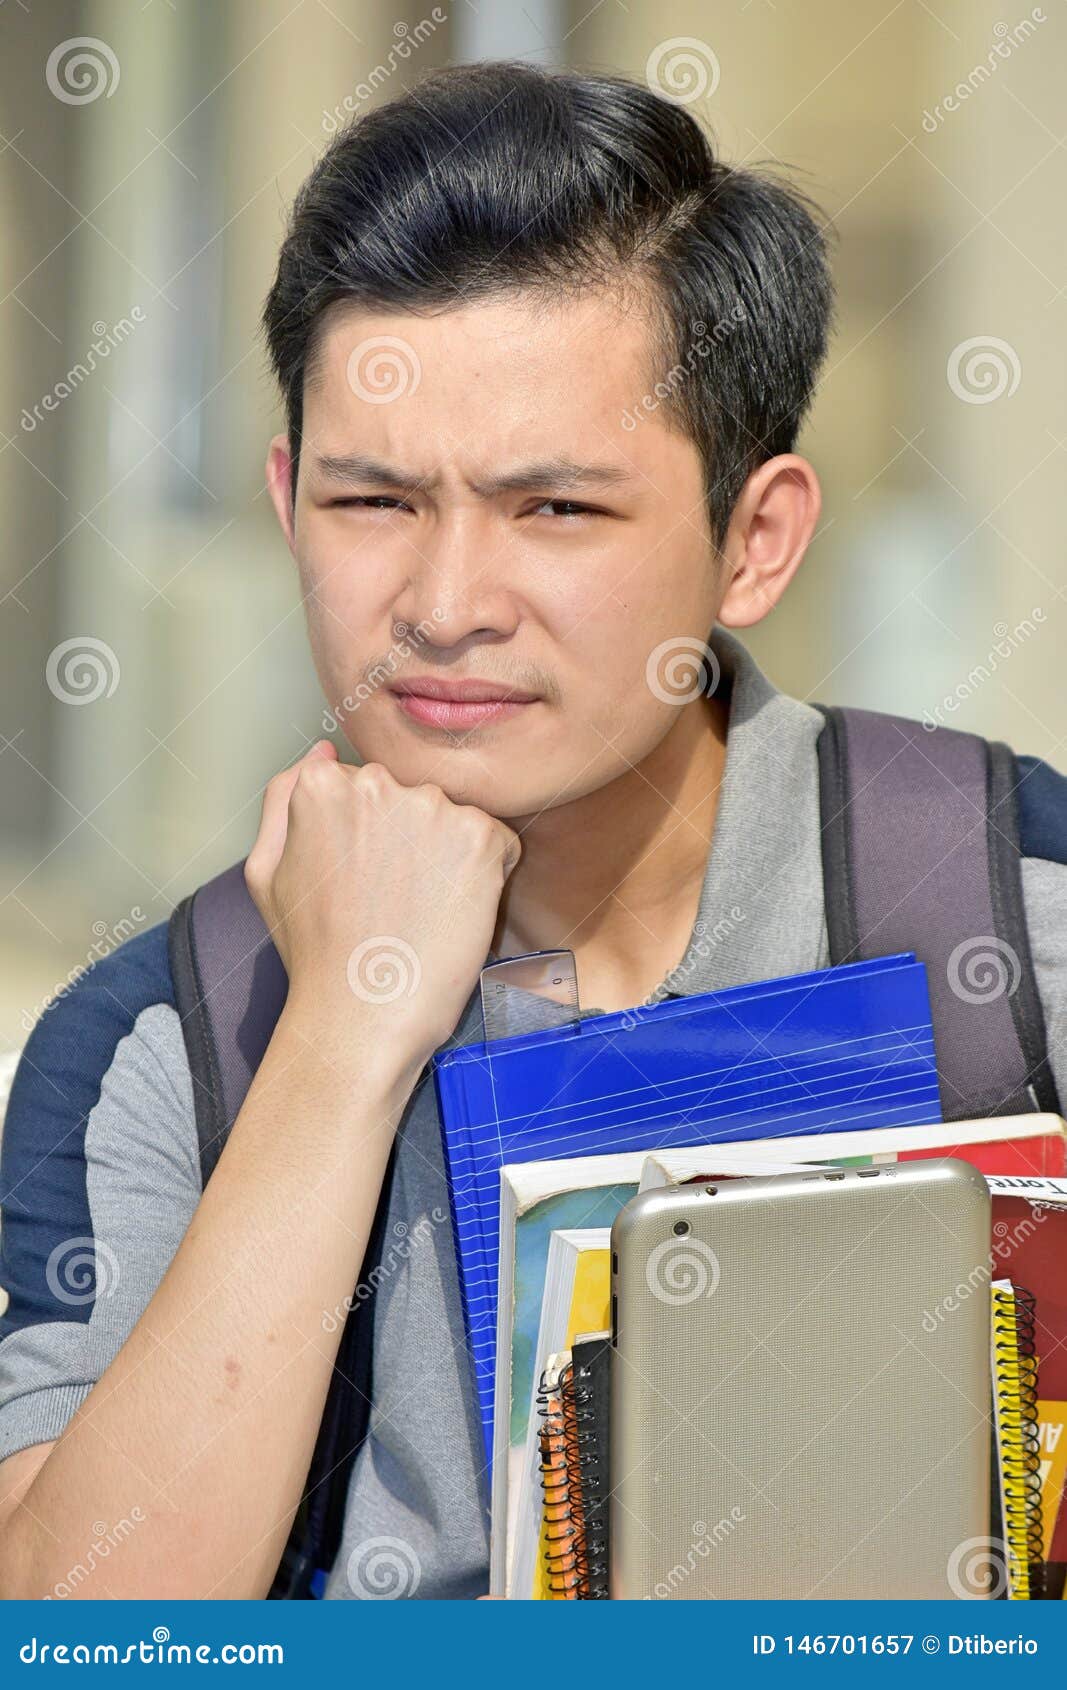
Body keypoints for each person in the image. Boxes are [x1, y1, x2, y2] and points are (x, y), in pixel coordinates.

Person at [1, 59, 1065, 1601]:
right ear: (288, 499)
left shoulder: (1010, 911)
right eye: (373, 504)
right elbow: (81, 1629)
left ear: (753, 540)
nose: (443, 606)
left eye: (555, 510)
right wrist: (341, 1041)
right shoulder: (171, 1040)